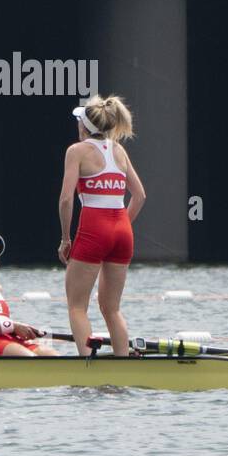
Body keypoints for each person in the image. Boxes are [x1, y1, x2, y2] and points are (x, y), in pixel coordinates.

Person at [58, 95, 147, 355]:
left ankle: (87, 362)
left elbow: (66, 200)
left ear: (84, 127)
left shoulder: (76, 151)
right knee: (111, 308)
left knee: (77, 306)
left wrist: (65, 239)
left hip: (93, 229)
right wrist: (121, 228)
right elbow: (140, 196)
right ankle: (122, 360)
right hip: (122, 230)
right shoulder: (119, 150)